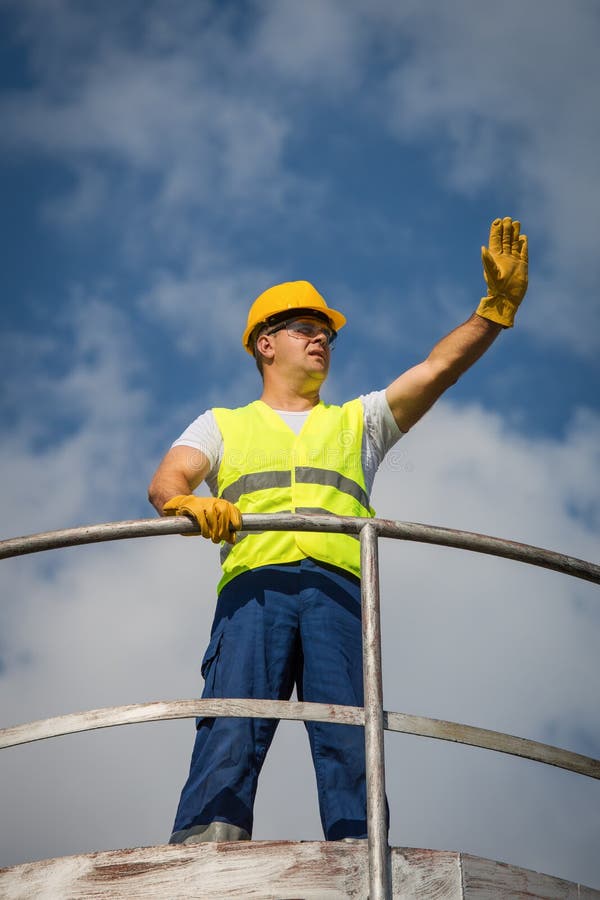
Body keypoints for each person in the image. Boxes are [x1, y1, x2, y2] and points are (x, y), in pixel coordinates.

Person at [148, 216, 528, 845]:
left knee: (350, 733)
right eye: (306, 329)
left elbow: (437, 371)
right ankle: (204, 848)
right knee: (231, 725)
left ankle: (359, 851)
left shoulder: (362, 423)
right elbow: (168, 480)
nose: (321, 338)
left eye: (327, 333)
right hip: (255, 593)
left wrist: (495, 309)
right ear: (265, 344)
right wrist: (187, 502)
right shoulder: (221, 423)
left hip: (339, 596)